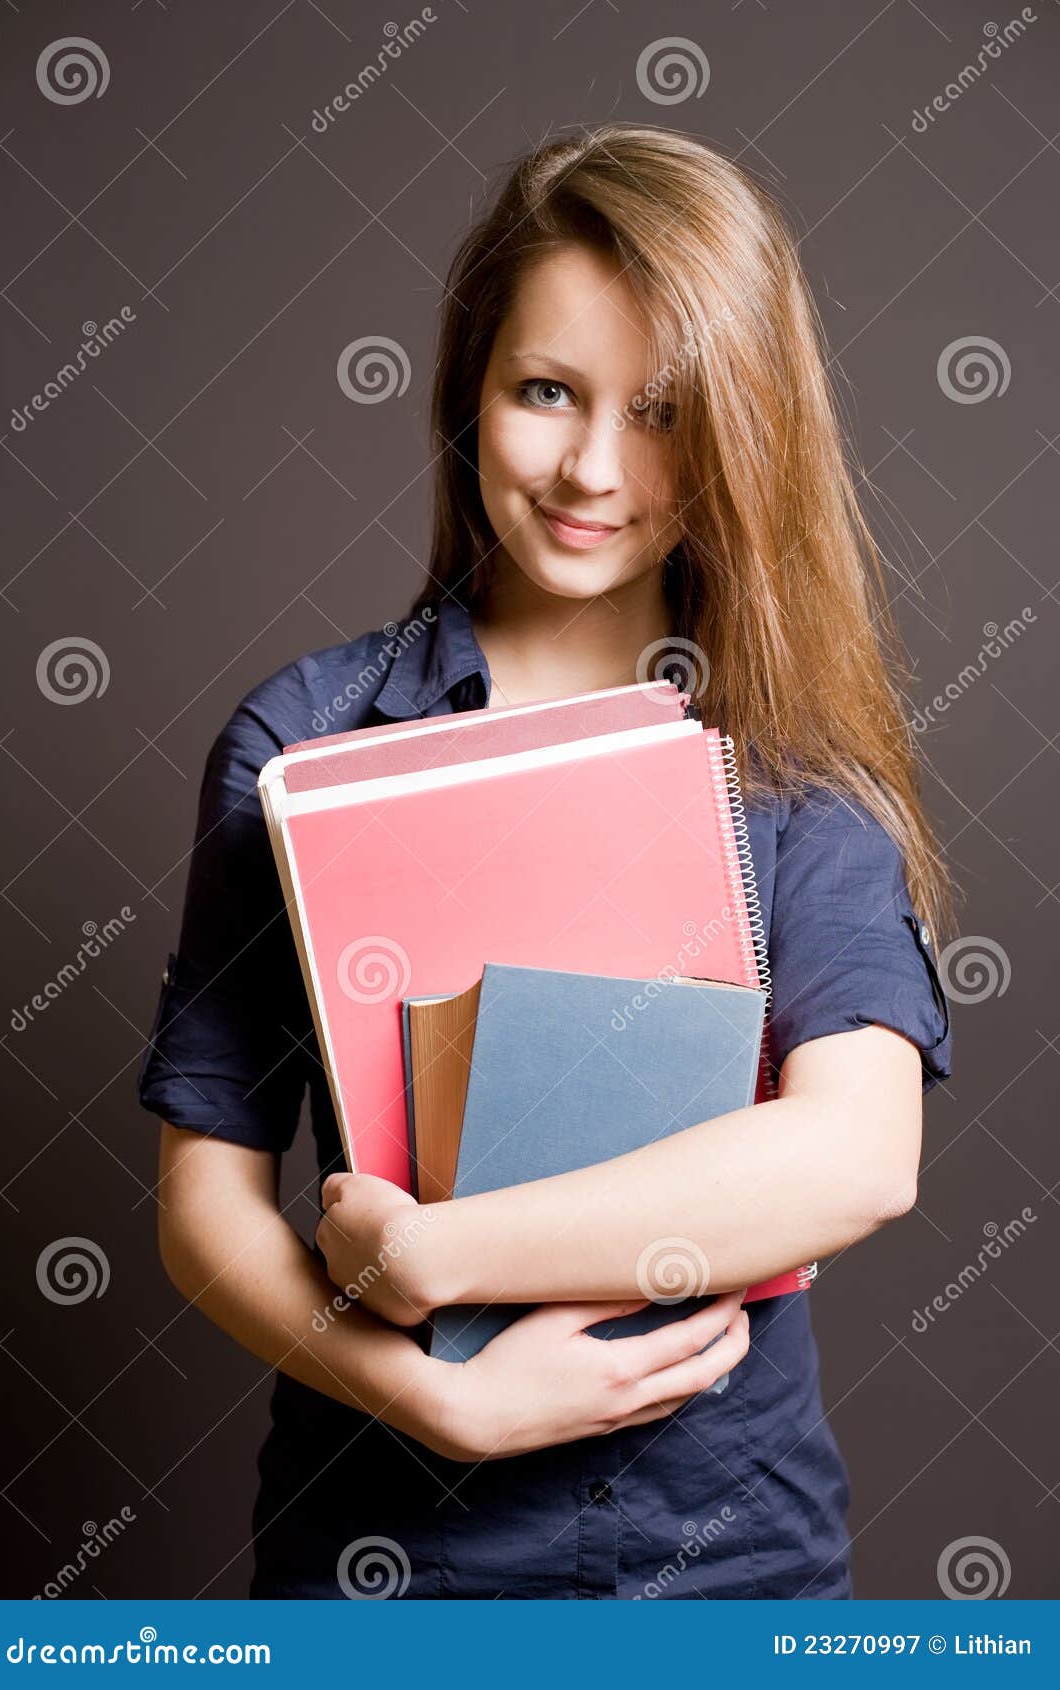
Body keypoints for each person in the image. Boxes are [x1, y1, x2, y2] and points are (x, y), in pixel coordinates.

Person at [138, 125, 954, 1600]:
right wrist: (431, 1391)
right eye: (544, 392)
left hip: (729, 1563)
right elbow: (205, 1200)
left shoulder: (791, 763)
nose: (591, 467)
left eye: (659, 412)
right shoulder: (305, 738)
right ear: (469, 394)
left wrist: (438, 1257)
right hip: (387, 1558)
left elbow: (854, 1153)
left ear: (742, 429)